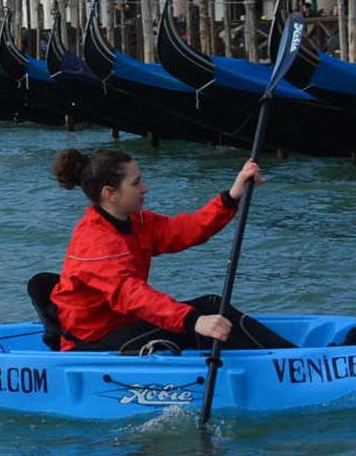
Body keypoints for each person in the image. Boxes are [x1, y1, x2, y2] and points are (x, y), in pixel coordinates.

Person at [46, 147, 293, 353]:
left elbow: (184, 230)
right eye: (136, 183)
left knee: (211, 310)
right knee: (207, 310)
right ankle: (291, 362)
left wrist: (232, 196)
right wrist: (193, 320)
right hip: (91, 344)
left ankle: (289, 357)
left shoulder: (136, 221)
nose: (145, 188)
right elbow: (133, 296)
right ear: (111, 194)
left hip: (123, 326)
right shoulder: (95, 242)